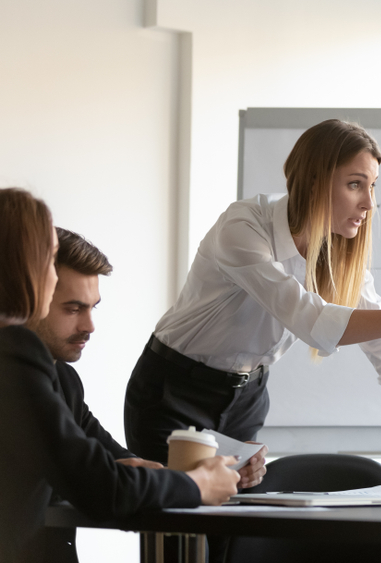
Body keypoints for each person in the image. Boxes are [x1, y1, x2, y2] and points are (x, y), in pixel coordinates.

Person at [124, 119, 381, 487]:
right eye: (356, 185)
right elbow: (312, 321)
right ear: (314, 181)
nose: (369, 204)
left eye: (373, 186)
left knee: (231, 538)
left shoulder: (335, 252)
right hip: (173, 391)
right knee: (178, 533)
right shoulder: (242, 228)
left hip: (246, 398)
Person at [0, 188, 240, 563]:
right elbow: (102, 486)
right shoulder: (12, 357)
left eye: (93, 307)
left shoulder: (58, 378)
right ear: (22, 268)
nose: (90, 325)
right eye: (46, 261)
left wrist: (226, 467)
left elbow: (110, 463)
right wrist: (199, 484)